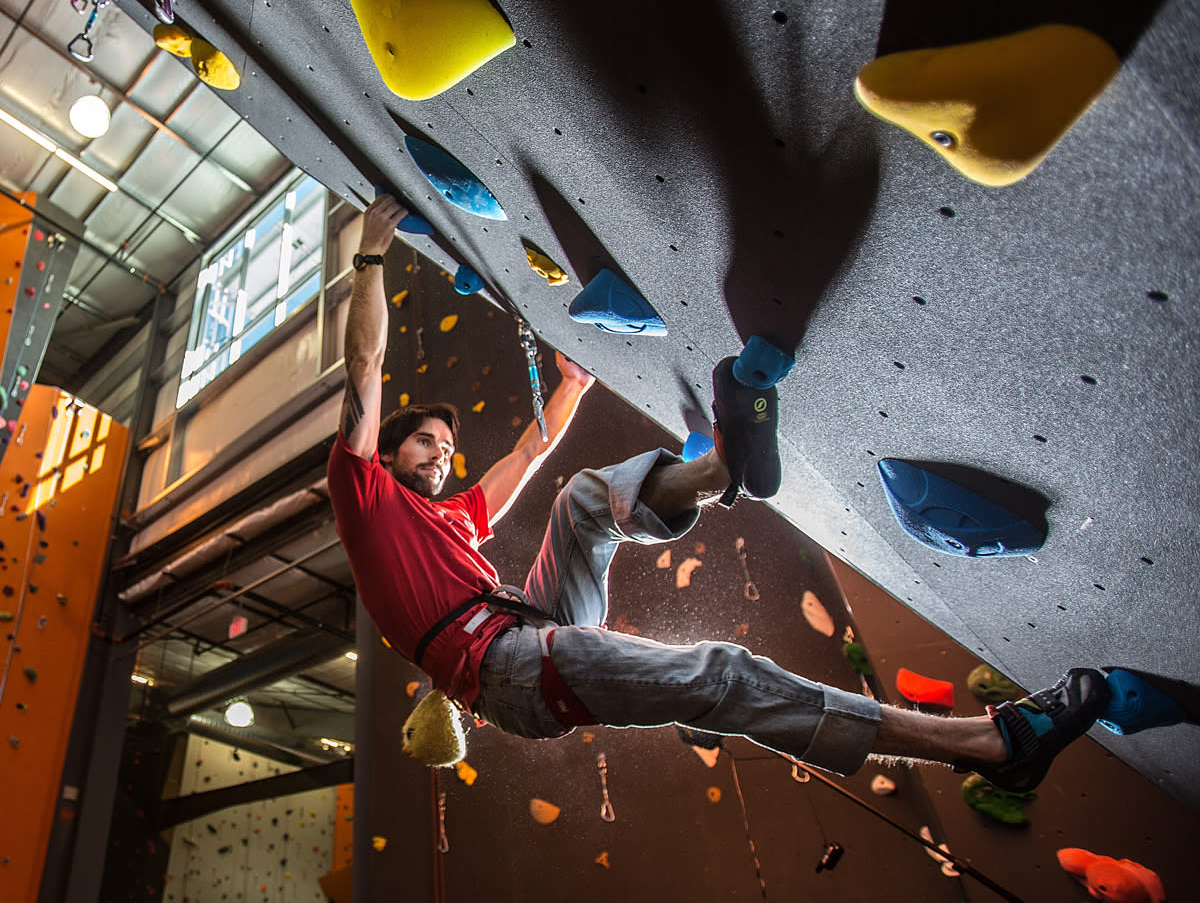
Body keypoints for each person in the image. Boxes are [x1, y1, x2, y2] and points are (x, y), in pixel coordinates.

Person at [326, 195, 1114, 792]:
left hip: (526, 622)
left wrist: (571, 385)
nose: (442, 454)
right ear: (386, 453)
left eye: (449, 446)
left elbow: (532, 449)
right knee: (719, 676)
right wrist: (369, 256)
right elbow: (364, 369)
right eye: (426, 442)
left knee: (576, 502)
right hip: (504, 672)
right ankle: (995, 747)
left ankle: (718, 469)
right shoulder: (363, 498)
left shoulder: (452, 519)